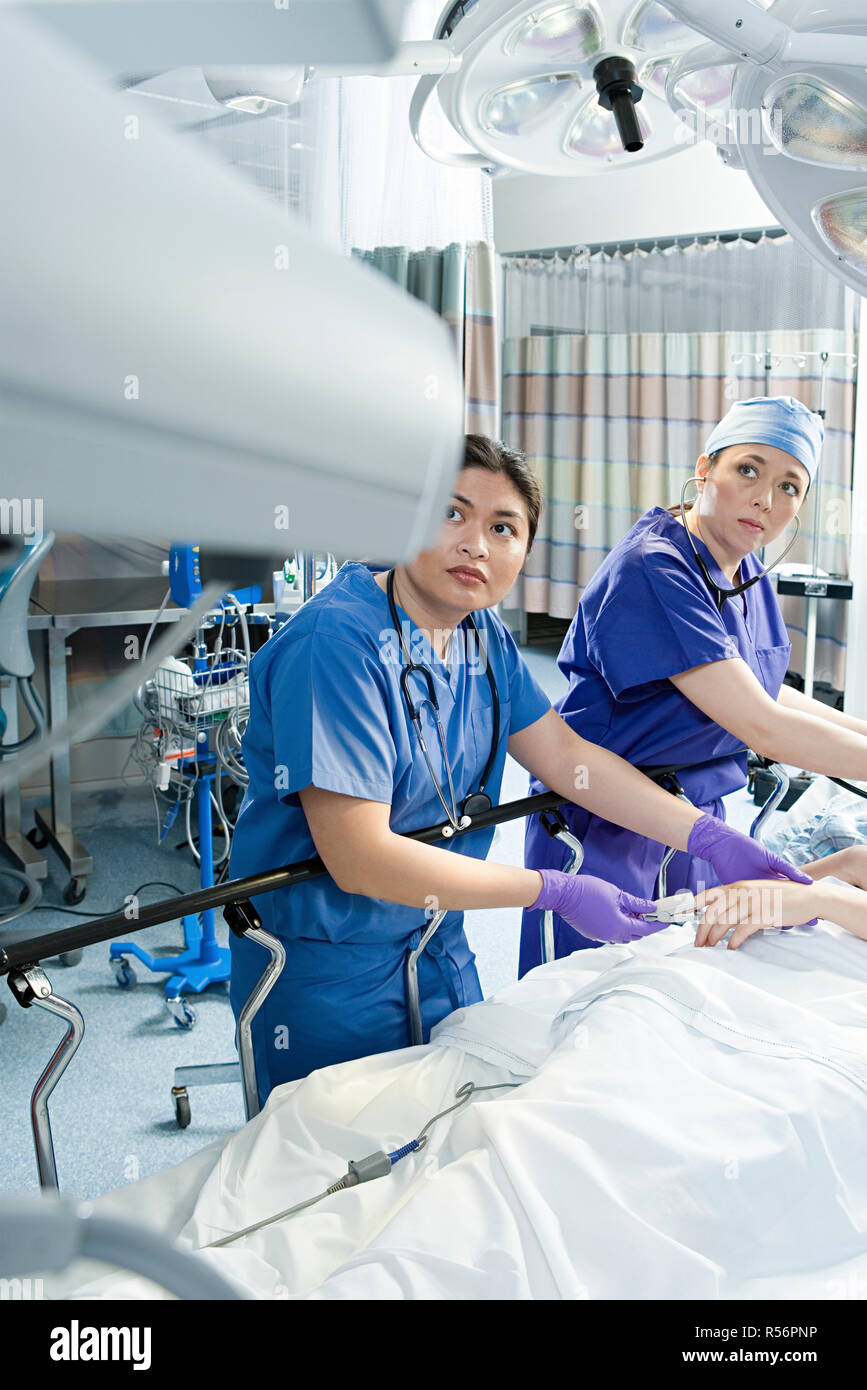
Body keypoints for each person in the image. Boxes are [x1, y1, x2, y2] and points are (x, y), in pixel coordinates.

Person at [229, 433, 808, 1101]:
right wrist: (551, 891)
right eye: (452, 514)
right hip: (322, 964)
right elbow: (359, 857)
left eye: (502, 528)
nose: (476, 543)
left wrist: (706, 837)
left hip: (436, 940)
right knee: (329, 1167)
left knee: (450, 1134)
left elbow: (567, 758)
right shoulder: (335, 646)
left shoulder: (482, 636)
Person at [521, 396, 867, 975]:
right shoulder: (656, 565)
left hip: (697, 819)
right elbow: (763, 727)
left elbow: (761, 689)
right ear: (705, 468)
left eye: (790, 487)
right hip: (611, 818)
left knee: (683, 988)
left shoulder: (743, 567)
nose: (765, 499)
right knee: (587, 1000)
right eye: (749, 469)